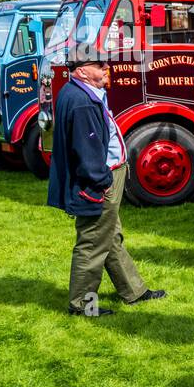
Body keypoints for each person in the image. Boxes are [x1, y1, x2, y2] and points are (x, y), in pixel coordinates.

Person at [47, 54, 165, 317]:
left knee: (110, 235)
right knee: (92, 242)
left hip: (103, 176)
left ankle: (133, 290)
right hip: (99, 180)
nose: (106, 68)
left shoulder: (78, 92)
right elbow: (86, 150)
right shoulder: (82, 102)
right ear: (81, 71)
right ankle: (82, 305)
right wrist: (102, 180)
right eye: (99, 65)